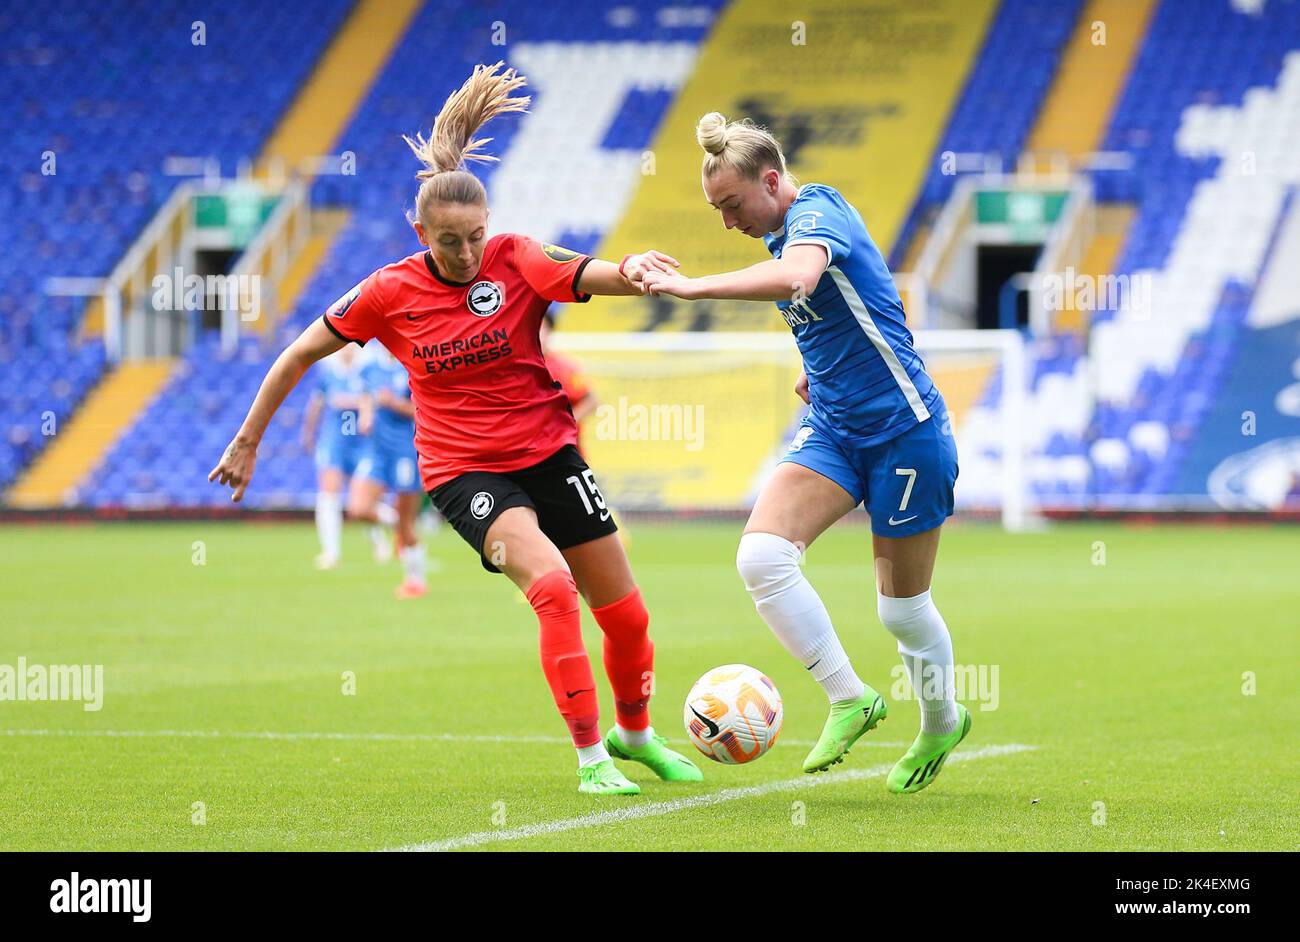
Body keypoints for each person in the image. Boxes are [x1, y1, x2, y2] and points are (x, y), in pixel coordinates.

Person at [210, 62, 702, 795]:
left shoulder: (519, 258)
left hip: (549, 455)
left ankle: (636, 734)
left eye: (474, 236)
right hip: (466, 475)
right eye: (448, 242)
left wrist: (632, 267)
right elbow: (299, 352)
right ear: (420, 231)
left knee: (627, 617)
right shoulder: (387, 292)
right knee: (554, 590)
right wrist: (248, 439)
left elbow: (590, 271)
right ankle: (592, 759)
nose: (466, 254)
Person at [641, 112, 969, 794]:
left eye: (731, 204)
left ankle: (941, 719)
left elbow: (801, 279)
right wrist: (813, 371)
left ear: (770, 180)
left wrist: (694, 286)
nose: (726, 221)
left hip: (906, 432)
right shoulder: (777, 234)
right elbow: (834, 311)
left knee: (901, 611)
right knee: (761, 555)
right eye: (715, 210)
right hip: (835, 428)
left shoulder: (819, 211)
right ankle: (851, 698)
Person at [349, 341, 431, 598]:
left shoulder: (412, 367)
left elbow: (422, 411)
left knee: (406, 519)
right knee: (358, 509)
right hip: (375, 450)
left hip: (404, 451)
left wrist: (394, 403)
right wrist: (365, 415)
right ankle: (397, 523)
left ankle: (415, 580)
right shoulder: (369, 367)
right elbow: (365, 396)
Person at [300, 344, 368, 570]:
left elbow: (375, 401)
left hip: (361, 442)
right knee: (329, 494)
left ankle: (381, 543)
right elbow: (316, 405)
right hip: (334, 441)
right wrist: (308, 433)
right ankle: (330, 552)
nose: (346, 350)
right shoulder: (327, 372)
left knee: (365, 499)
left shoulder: (366, 369)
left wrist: (351, 402)